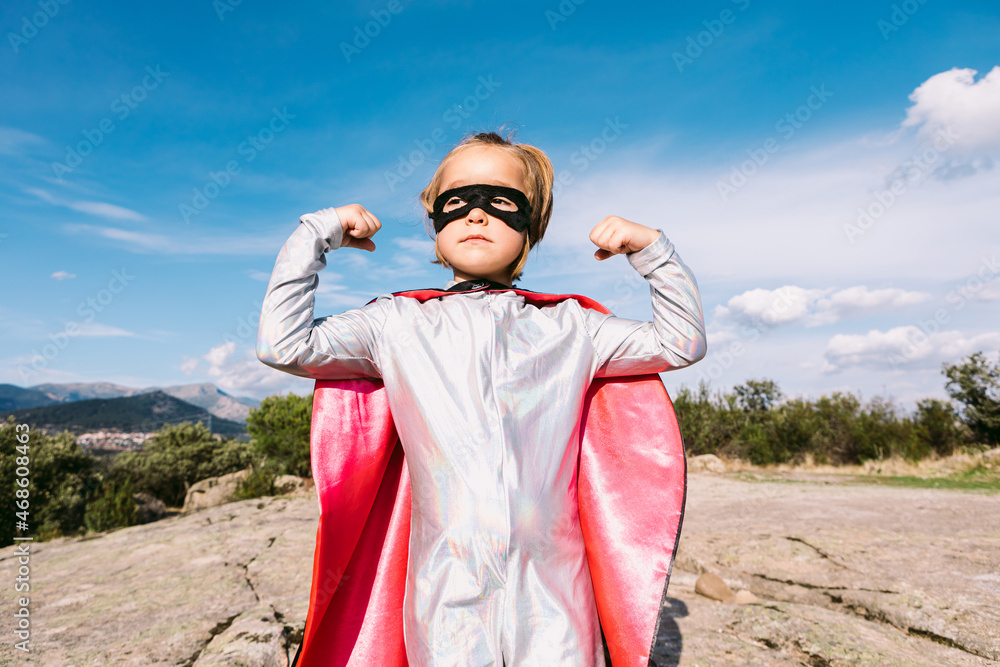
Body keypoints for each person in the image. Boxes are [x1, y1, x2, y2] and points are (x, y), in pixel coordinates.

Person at [256, 129, 707, 666]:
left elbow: (680, 343)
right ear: (435, 223)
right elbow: (284, 344)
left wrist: (655, 253)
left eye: (499, 201)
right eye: (457, 202)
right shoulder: (394, 323)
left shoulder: (573, 327)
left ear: (530, 224)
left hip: (556, 589)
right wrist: (317, 233)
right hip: (445, 587)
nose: (476, 215)